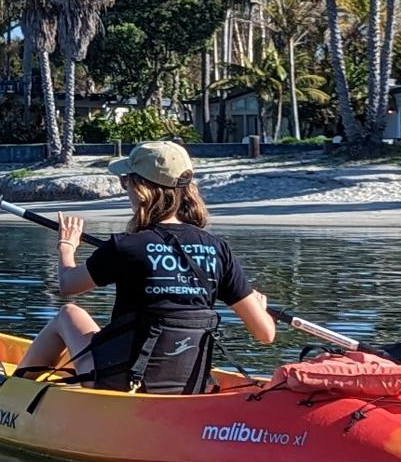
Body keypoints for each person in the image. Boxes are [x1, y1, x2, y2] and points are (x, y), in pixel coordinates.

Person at [15, 140, 277, 393]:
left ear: (140, 189)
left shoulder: (127, 246)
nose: (125, 188)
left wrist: (66, 245)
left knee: (68, 314)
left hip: (121, 381)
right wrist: (259, 307)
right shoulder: (219, 250)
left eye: (126, 181)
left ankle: (12, 394)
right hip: (188, 385)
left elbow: (67, 284)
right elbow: (266, 334)